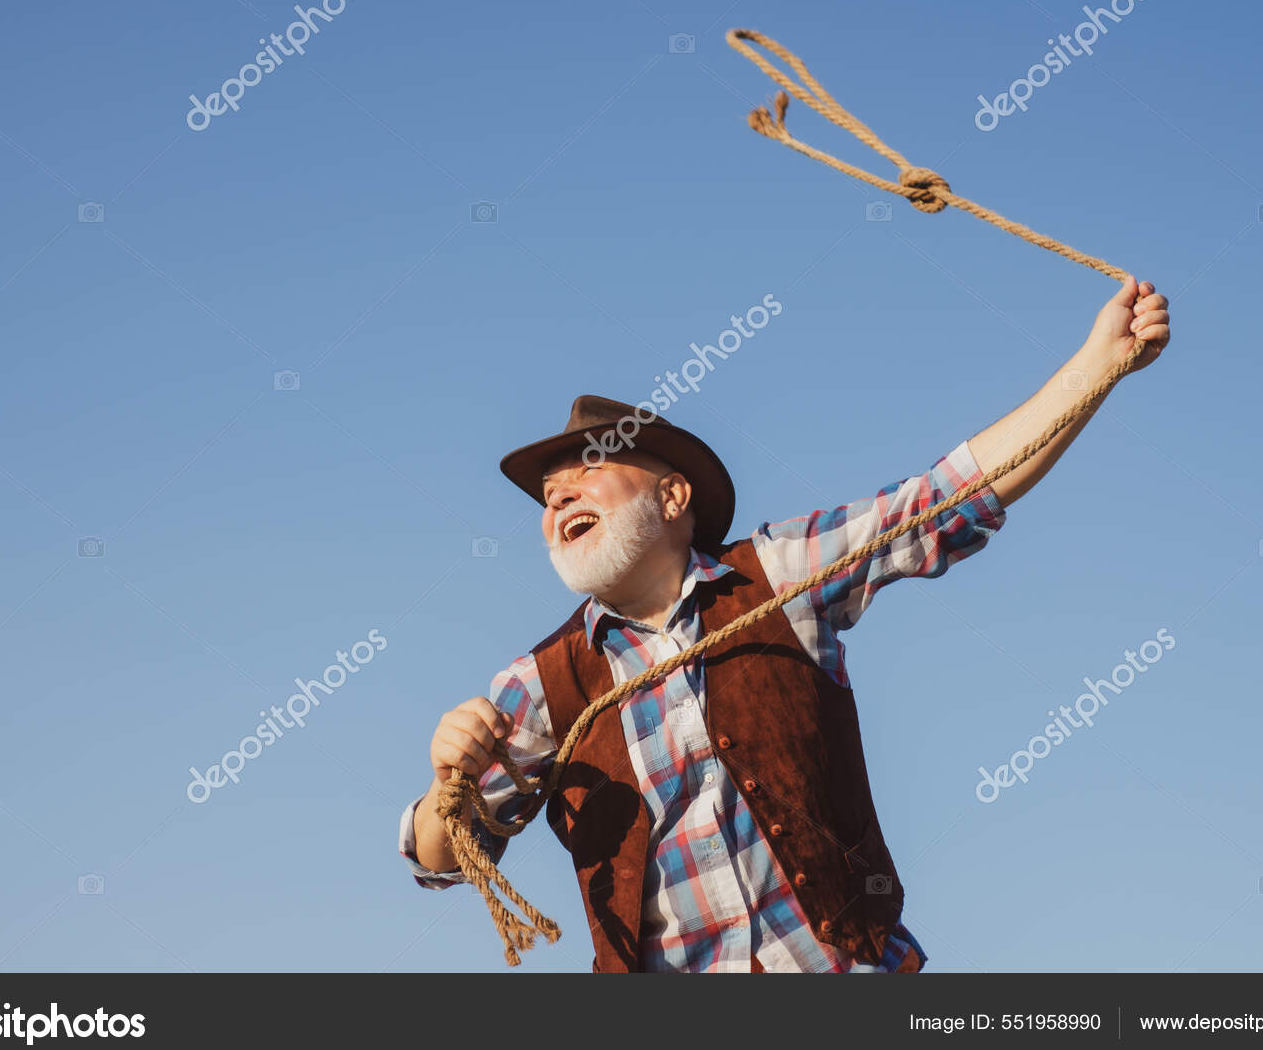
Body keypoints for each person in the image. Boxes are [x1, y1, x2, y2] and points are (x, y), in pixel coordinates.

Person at [398, 277, 1171, 972]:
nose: (558, 498)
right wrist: (444, 785)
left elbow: (944, 501)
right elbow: (445, 856)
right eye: (548, 496)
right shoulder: (539, 684)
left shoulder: (776, 574)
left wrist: (1097, 365)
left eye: (588, 470)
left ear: (672, 497)